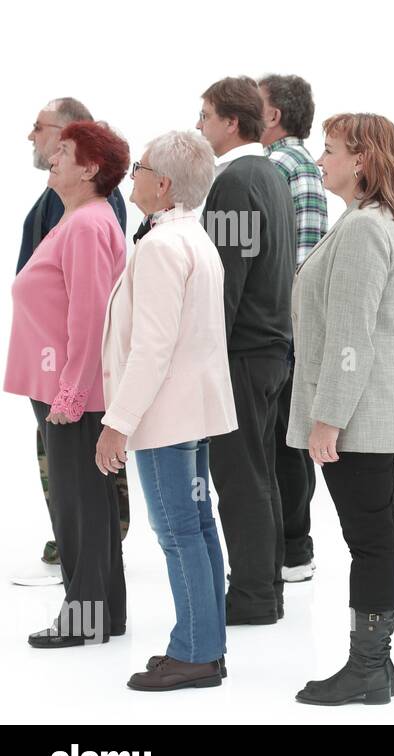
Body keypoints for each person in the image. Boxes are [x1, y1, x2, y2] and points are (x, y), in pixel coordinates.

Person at [97, 130, 238, 690]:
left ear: (162, 183)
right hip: (192, 411)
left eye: (139, 167)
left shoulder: (160, 247)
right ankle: (205, 644)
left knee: (180, 531)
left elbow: (151, 348)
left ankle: (196, 652)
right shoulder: (192, 238)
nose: (132, 175)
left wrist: (117, 424)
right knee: (198, 527)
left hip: (163, 416)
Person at [290, 113, 394, 705]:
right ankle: (376, 664)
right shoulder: (365, 223)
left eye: (331, 150)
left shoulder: (365, 230)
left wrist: (328, 418)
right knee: (380, 535)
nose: (321, 160)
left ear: (362, 160)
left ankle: (368, 666)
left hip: (355, 419)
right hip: (362, 415)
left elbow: (351, 335)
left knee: (370, 540)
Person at [5, 121, 129, 646]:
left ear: (90, 169)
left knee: (78, 506)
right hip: (69, 390)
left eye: (64, 153)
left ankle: (84, 621)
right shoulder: (80, 219)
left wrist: (72, 395)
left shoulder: (85, 226)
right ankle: (106, 615)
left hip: (73, 394)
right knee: (89, 504)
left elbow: (90, 314)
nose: (52, 158)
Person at [196, 76, 297, 625]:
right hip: (268, 350)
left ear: (231, 122)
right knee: (259, 474)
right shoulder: (271, 174)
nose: (199, 125)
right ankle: (265, 590)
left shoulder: (235, 181)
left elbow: (225, 283)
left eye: (206, 115)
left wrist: (202, 358)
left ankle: (254, 596)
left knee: (240, 480)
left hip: (242, 354)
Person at [258, 73, 328, 583]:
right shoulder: (301, 164)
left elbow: (288, 261)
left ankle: (290, 548)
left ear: (274, 114)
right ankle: (293, 545)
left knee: (279, 439)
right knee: (289, 438)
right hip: (295, 326)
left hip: (281, 327)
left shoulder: (276, 166)